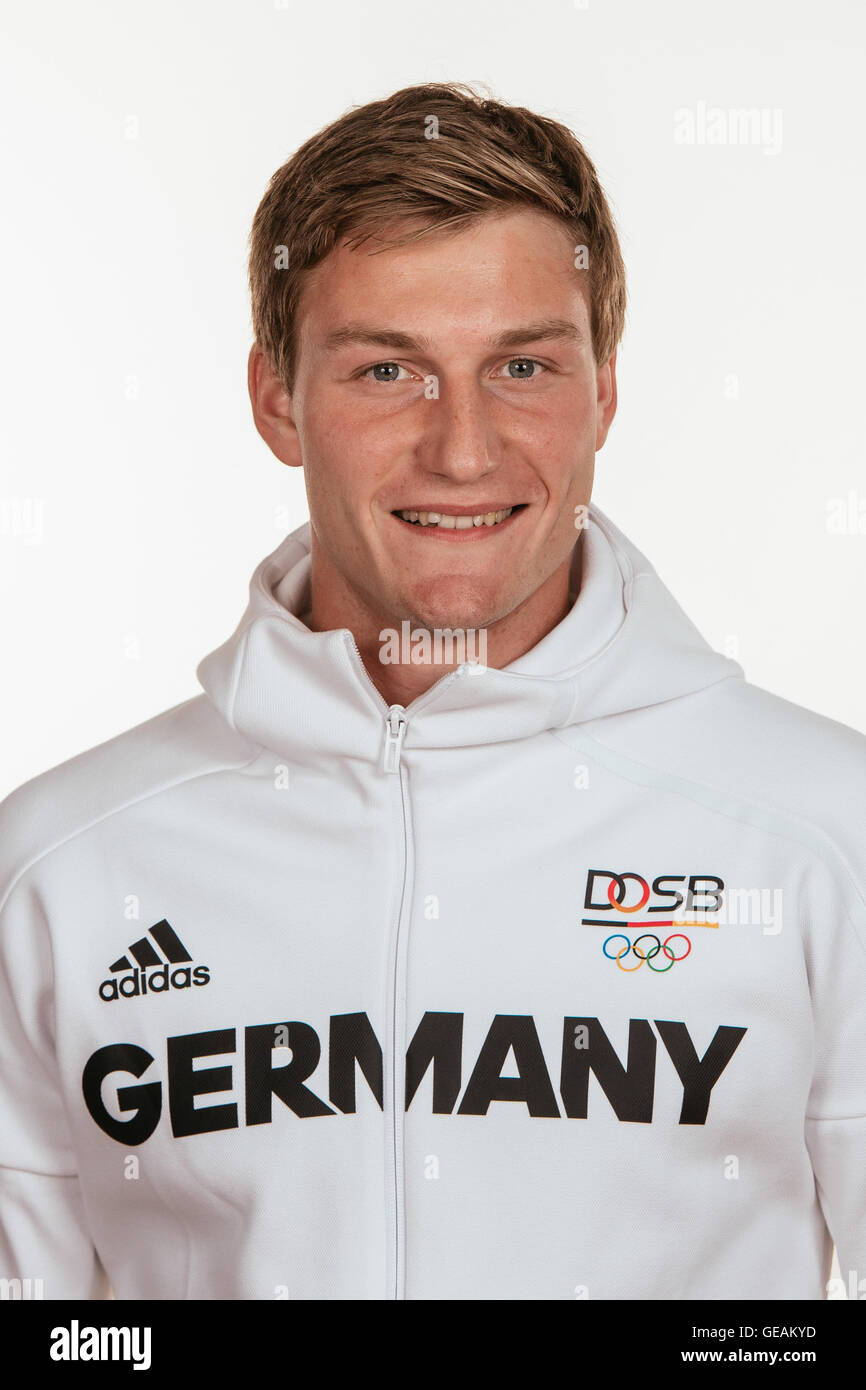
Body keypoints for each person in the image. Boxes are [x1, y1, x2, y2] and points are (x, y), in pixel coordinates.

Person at [1, 81, 864, 1302]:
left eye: (521, 363)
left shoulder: (824, 833)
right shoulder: (59, 865)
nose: (461, 447)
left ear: (602, 393)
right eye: (384, 370)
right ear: (276, 399)